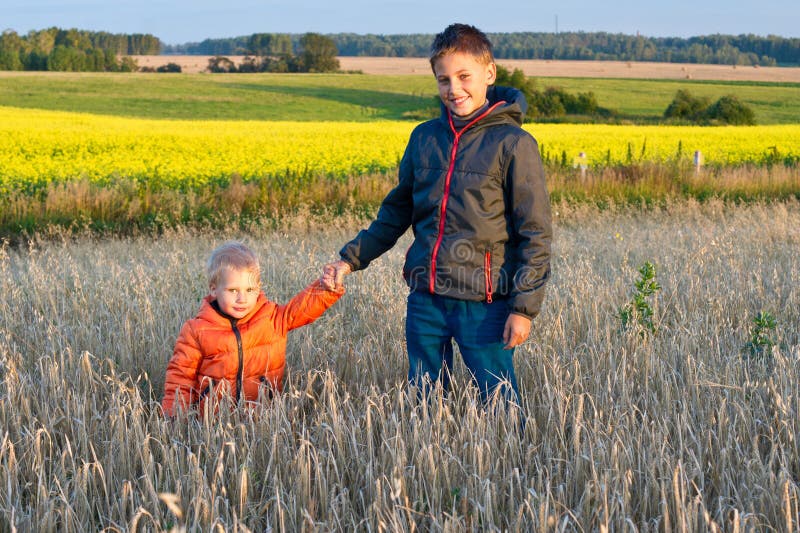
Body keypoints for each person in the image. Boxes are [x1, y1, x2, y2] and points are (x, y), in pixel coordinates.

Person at [323, 23, 552, 405]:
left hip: (485, 303)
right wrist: (349, 259)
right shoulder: (424, 138)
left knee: (499, 402)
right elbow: (396, 213)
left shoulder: (514, 144)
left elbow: (535, 234)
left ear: (489, 73)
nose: (454, 89)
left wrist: (525, 309)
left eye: (464, 76)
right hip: (426, 298)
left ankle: (511, 463)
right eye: (443, 79)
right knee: (424, 401)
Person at [162, 241, 343, 417]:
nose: (242, 298)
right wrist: (174, 418)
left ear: (258, 288)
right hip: (213, 424)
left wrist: (325, 289)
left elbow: (302, 309)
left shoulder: (271, 318)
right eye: (233, 290)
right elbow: (180, 378)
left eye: (250, 289)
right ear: (214, 289)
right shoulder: (196, 330)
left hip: (262, 420)